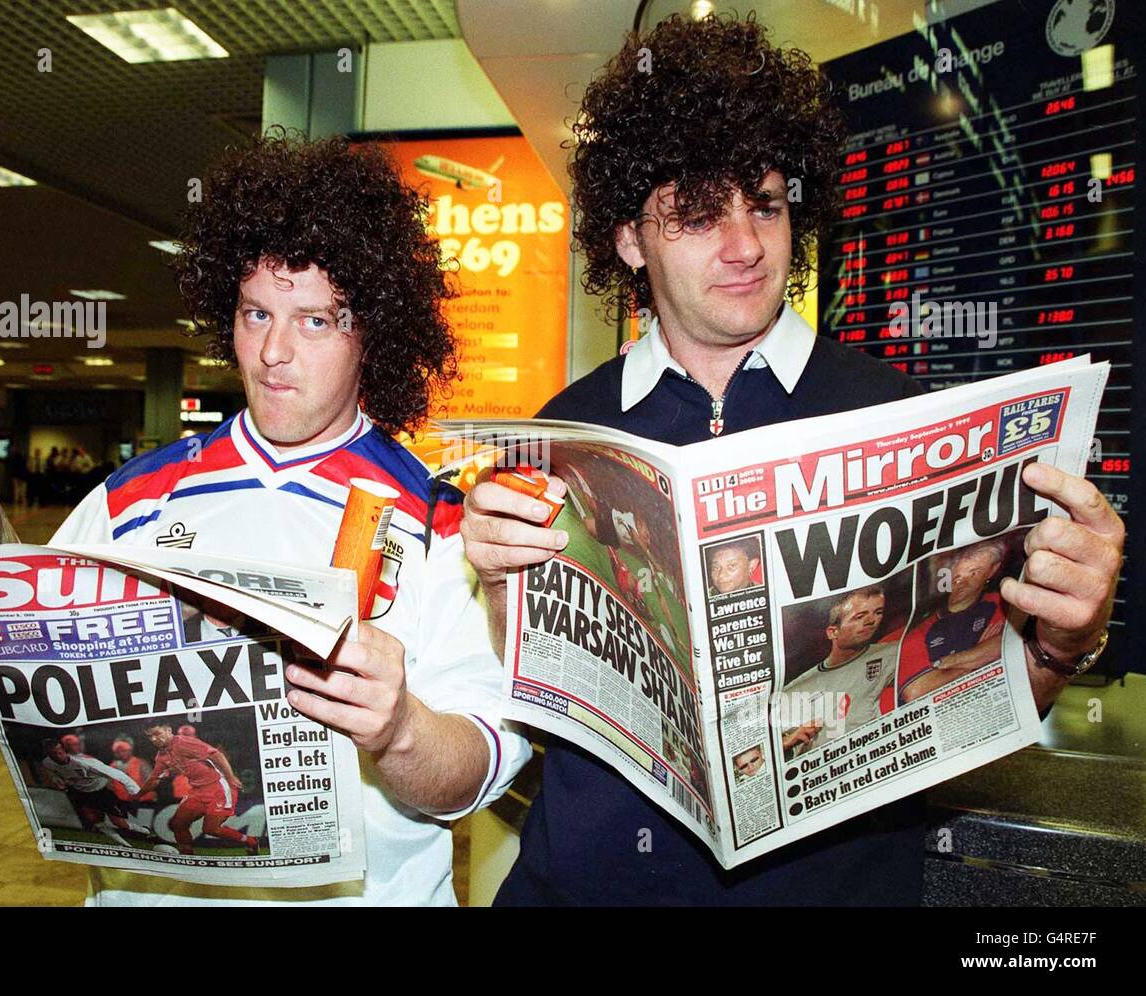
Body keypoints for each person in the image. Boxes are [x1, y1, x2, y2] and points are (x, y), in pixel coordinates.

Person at [461, 13, 1123, 905]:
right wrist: (505, 584)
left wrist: (1067, 639)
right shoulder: (568, 431)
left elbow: (998, 708)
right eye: (698, 215)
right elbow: (536, 693)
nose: (745, 246)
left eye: (765, 205)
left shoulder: (900, 418)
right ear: (629, 240)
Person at [0, 133, 530, 906]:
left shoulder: (442, 525)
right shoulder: (130, 500)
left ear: (373, 332)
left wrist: (399, 730)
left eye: (315, 321)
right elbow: (32, 704)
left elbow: (479, 771)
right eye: (255, 314)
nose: (272, 353)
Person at [780, 586, 896, 757]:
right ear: (833, 632)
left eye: (878, 612)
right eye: (860, 616)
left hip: (873, 757)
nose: (872, 621)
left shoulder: (891, 653)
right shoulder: (796, 688)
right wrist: (788, 741)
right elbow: (755, 757)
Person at [897, 540, 1008, 705]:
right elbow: (915, 691)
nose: (963, 583)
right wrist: (978, 657)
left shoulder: (1001, 604)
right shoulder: (919, 631)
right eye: (956, 578)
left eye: (974, 573)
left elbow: (1006, 643)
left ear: (992, 570)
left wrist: (945, 663)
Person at [131, 724, 257, 856]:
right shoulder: (162, 756)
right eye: (150, 736)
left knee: (211, 829)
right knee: (177, 824)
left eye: (157, 733)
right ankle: (187, 855)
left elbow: (216, 754)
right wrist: (138, 794)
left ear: (168, 730)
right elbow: (154, 779)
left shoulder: (183, 742)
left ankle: (251, 841)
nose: (154, 739)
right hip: (198, 791)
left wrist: (230, 777)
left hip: (218, 788)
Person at [38, 738, 153, 848]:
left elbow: (116, 773)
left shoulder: (84, 763)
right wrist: (57, 780)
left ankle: (145, 831)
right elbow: (53, 773)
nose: (58, 756)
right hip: (82, 794)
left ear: (63, 749)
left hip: (101, 792)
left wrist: (134, 790)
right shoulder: (47, 763)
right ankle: (125, 845)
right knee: (96, 822)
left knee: (119, 823)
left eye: (60, 752)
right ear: (48, 754)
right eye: (54, 754)